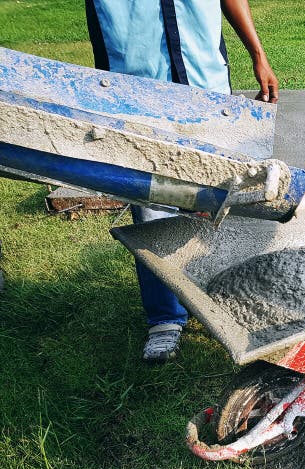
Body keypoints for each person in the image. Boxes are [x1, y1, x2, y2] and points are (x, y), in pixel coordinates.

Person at [85, 0, 278, 362]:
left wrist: (258, 55)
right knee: (152, 206)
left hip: (205, 86)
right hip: (135, 92)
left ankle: (230, 300)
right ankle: (165, 320)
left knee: (221, 200)